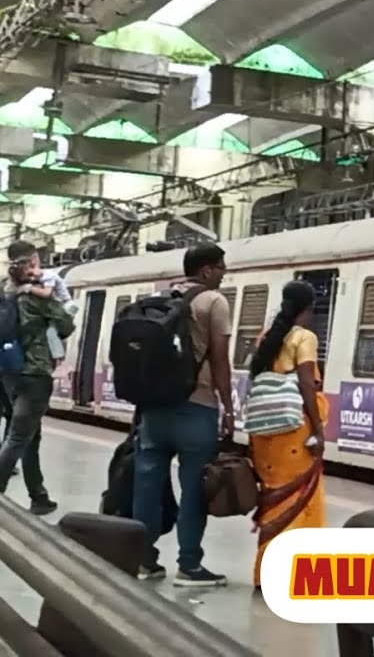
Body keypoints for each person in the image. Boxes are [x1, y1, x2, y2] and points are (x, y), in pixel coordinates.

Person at [132, 243, 235, 586]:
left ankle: (144, 560)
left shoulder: (160, 298)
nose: (223, 273)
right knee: (194, 487)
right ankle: (189, 565)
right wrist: (228, 407)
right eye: (221, 267)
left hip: (154, 409)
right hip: (196, 406)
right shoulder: (213, 301)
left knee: (146, 484)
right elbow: (220, 359)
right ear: (206, 271)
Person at [247, 280, 327, 592]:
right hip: (295, 431)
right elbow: (307, 385)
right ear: (307, 309)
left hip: (265, 434)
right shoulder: (304, 338)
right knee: (300, 500)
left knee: (273, 499)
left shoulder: (267, 337)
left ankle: (264, 572)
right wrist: (319, 432)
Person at [0, 241, 73, 515]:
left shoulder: (4, 292)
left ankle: (38, 495)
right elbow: (66, 324)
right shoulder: (36, 296)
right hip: (34, 372)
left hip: (8, 371)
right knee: (19, 436)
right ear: (31, 261)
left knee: (30, 435)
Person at [15, 260, 77, 362]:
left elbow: (46, 293)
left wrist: (29, 288)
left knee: (51, 333)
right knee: (52, 332)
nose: (32, 278)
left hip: (68, 305)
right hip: (38, 365)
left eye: (32, 275)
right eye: (29, 278)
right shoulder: (36, 299)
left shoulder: (48, 276)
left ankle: (60, 360)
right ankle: (60, 360)